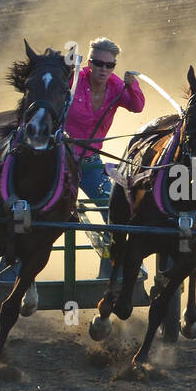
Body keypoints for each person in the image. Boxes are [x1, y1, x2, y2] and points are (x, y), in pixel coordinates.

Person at [66, 37, 145, 276]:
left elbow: (137, 106)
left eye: (109, 65)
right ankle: (14, 263)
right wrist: (67, 63)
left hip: (91, 165)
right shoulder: (72, 81)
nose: (103, 69)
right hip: (61, 163)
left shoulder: (116, 86)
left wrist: (133, 85)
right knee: (35, 207)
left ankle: (117, 264)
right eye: (98, 63)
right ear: (89, 63)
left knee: (113, 208)